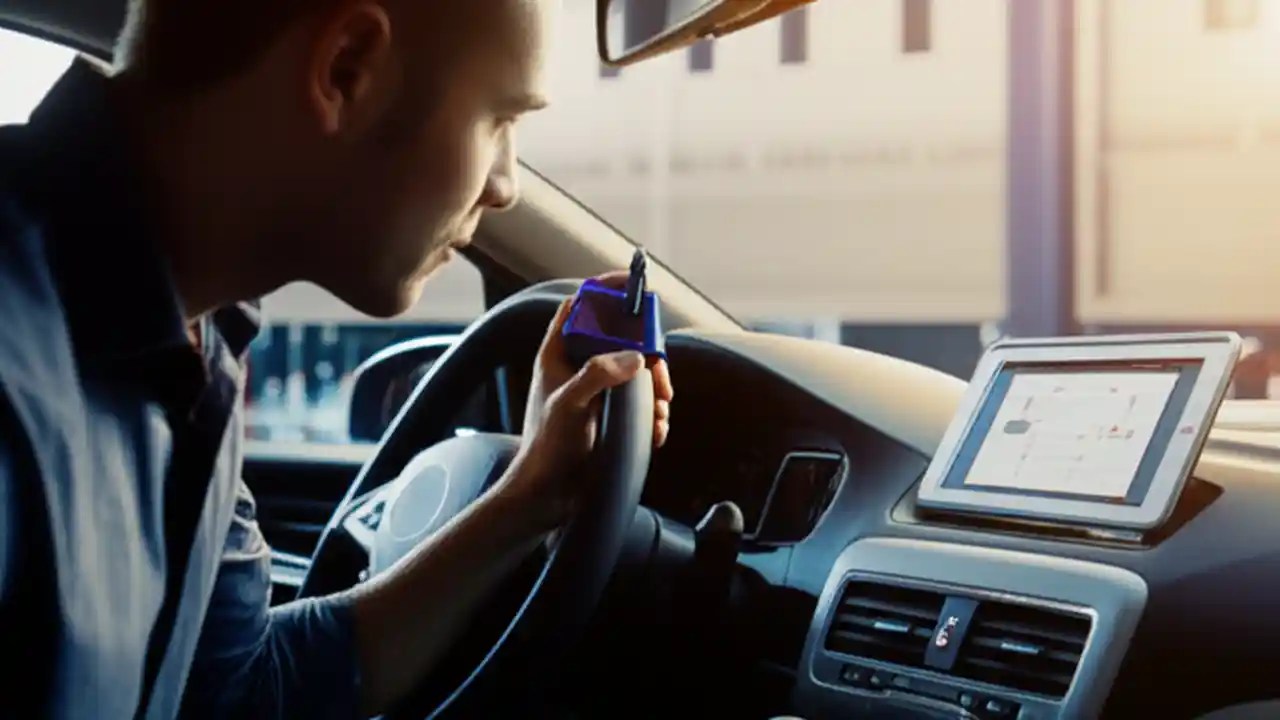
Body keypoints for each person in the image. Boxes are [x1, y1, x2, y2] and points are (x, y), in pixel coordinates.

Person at [0, 0, 674, 717]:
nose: (505, 185)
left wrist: (526, 501)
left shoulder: (194, 345)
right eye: (500, 120)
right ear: (346, 70)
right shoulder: (17, 378)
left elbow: (241, 690)